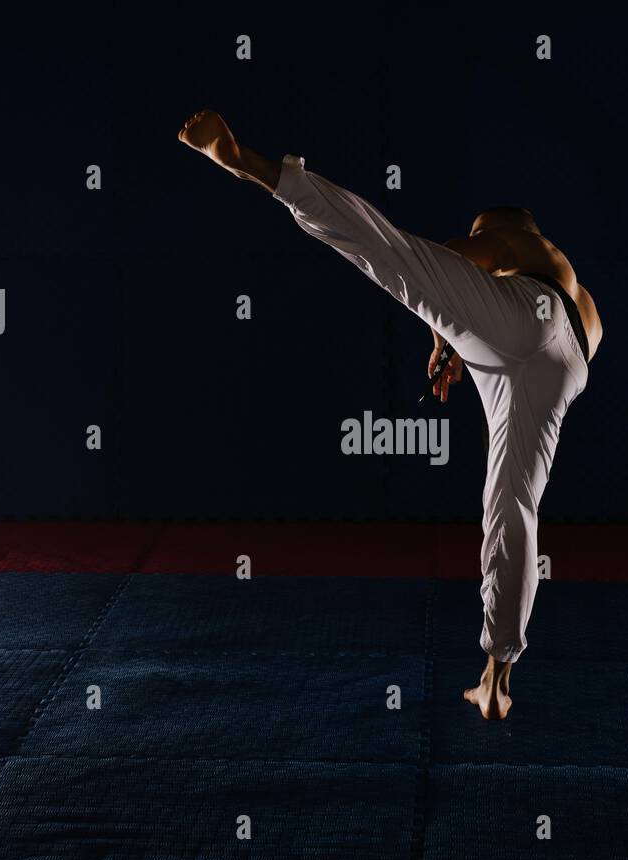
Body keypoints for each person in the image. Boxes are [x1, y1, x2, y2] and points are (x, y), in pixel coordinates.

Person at [179, 110, 602, 719]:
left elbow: (442, 264)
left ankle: (248, 162)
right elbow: (539, 345)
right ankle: (497, 672)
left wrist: (441, 338)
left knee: (393, 255)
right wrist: (466, 339)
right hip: (565, 367)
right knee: (513, 505)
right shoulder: (584, 294)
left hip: (529, 319)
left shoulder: (518, 240)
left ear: (506, 227)